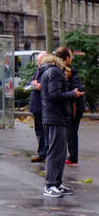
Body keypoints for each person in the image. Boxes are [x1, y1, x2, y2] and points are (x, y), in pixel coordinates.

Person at [40, 52, 84, 197]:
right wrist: (73, 94)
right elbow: (55, 95)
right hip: (55, 117)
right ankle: (51, 184)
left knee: (59, 152)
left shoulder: (49, 71)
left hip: (54, 116)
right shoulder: (55, 72)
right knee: (55, 153)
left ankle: (56, 183)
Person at [54, 45, 86, 168]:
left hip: (74, 108)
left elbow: (78, 88)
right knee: (69, 132)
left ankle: (73, 157)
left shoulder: (70, 71)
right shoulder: (62, 70)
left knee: (71, 132)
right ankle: (72, 156)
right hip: (71, 107)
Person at [27, 53, 51, 164]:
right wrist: (32, 83)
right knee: (39, 132)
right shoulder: (38, 71)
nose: (38, 64)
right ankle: (41, 153)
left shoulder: (48, 72)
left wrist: (40, 86)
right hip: (36, 106)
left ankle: (47, 155)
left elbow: (49, 87)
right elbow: (30, 83)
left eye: (40, 62)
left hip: (43, 106)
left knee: (46, 132)